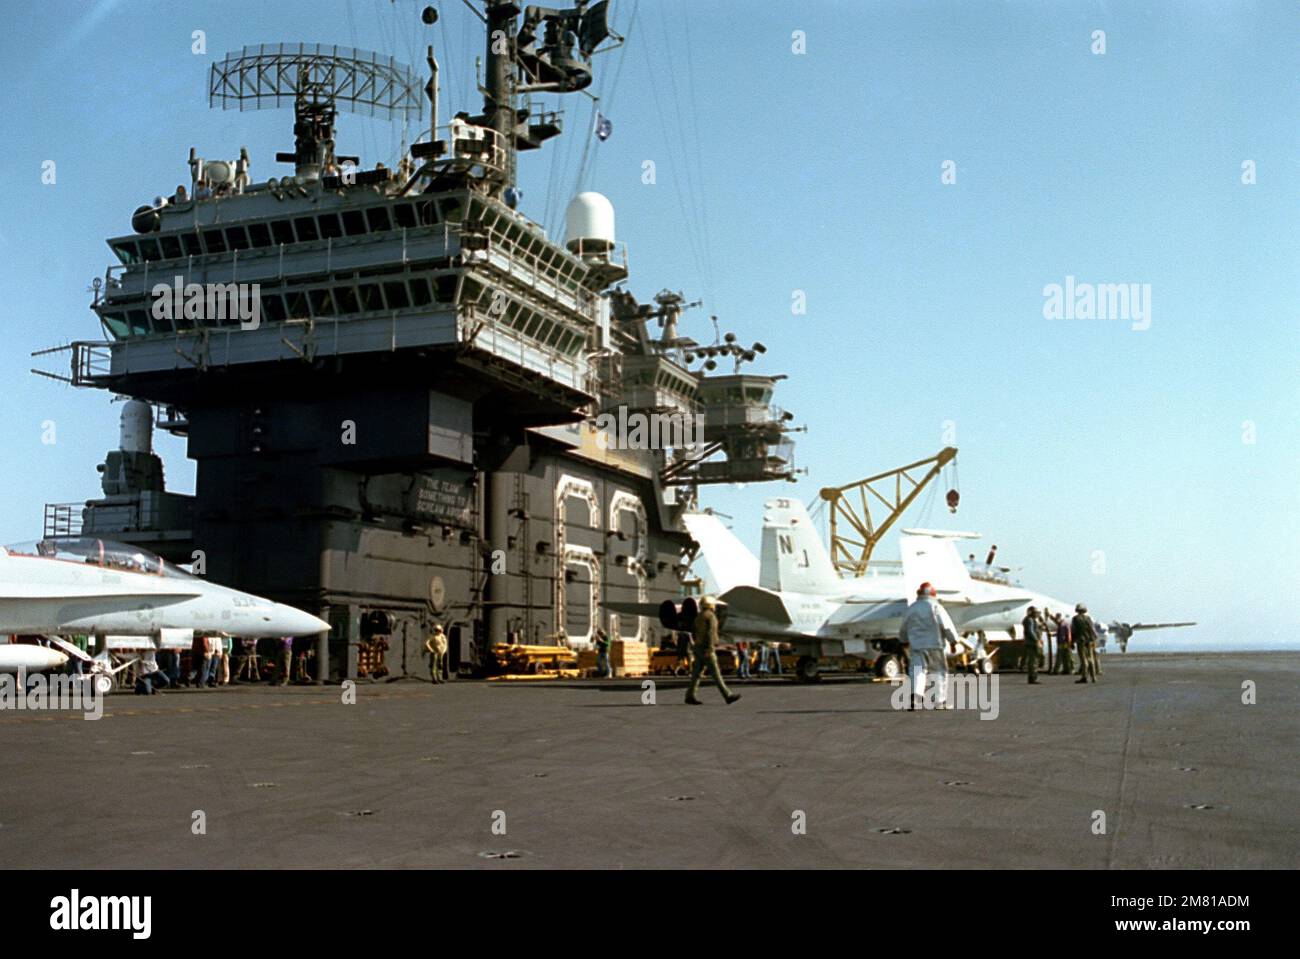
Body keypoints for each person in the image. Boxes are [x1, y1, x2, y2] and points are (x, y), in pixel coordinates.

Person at [899, 582, 960, 710]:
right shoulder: (936, 607)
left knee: (917, 671)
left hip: (917, 646)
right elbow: (947, 626)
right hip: (935, 645)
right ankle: (939, 701)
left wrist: (904, 640)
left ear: (919, 593)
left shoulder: (912, 608)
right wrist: (954, 641)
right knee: (938, 672)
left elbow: (904, 627)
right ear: (933, 593)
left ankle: (915, 699)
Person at [685, 596, 741, 706]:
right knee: (716, 674)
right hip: (707, 649)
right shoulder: (711, 617)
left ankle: (690, 695)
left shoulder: (699, 617)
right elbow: (710, 633)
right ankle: (728, 695)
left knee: (696, 674)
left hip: (699, 648)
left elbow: (694, 632)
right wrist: (710, 648)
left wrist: (696, 646)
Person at [1072, 604, 1098, 684]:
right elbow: (1092, 629)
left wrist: (1072, 642)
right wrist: (1094, 638)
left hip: (1080, 641)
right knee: (1091, 658)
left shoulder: (1075, 619)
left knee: (1083, 659)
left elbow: (1073, 631)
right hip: (1089, 640)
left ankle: (1084, 677)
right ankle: (1093, 677)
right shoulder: (1088, 618)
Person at [1022, 607, 1042, 684]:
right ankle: (1033, 678)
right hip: (1032, 643)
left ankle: (1032, 677)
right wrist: (1036, 640)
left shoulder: (1029, 619)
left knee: (1033, 660)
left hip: (1030, 642)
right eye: (1035, 612)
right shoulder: (1030, 620)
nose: (1036, 614)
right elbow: (1030, 631)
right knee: (1033, 661)